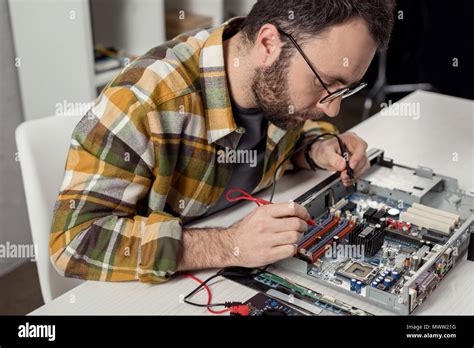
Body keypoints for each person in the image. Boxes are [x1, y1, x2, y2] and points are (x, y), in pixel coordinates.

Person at [50, 0, 395, 283]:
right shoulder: (143, 103)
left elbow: (286, 134)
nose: (333, 111)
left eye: (345, 90)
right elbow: (73, 241)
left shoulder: (270, 75)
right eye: (326, 84)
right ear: (268, 43)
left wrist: (318, 147)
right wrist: (228, 244)